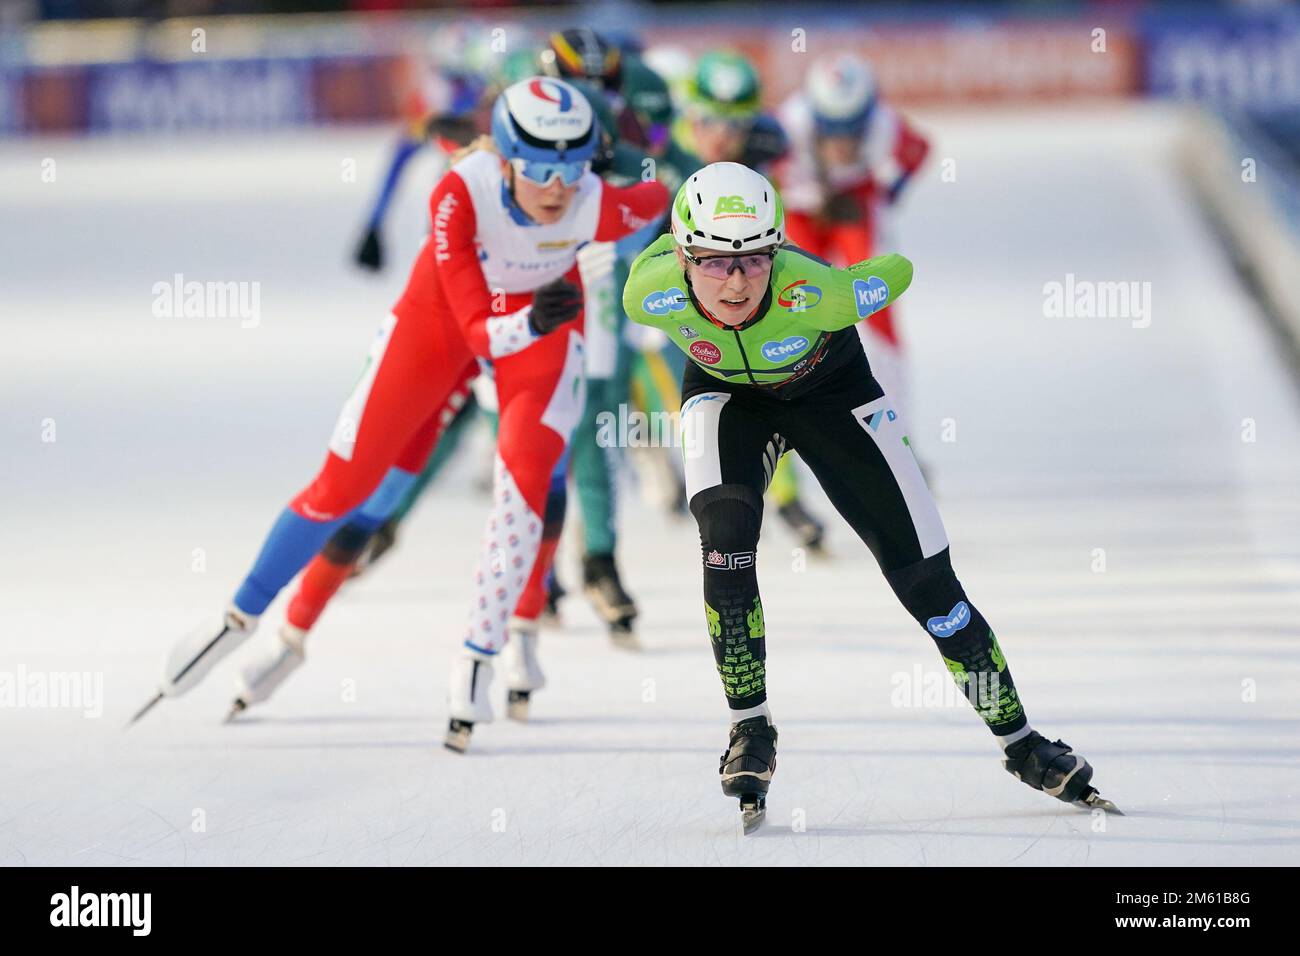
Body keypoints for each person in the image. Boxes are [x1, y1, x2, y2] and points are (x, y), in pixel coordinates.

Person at [135, 77, 669, 757]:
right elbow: (478, 331)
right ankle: (257, 624)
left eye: (570, 168)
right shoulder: (458, 191)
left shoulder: (596, 202)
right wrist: (532, 311)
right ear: (502, 157)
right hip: (448, 323)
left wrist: (682, 206)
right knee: (354, 489)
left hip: (542, 323)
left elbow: (662, 200)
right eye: (538, 170)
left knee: (533, 478)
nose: (556, 189)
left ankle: (494, 646)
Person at [622, 161, 1117, 831]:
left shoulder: (820, 292)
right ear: (682, 256)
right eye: (712, 263)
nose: (734, 282)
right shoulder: (647, 291)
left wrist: (853, 273)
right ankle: (749, 729)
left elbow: (897, 271)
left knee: (929, 586)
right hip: (727, 400)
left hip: (833, 399)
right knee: (725, 546)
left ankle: (1022, 743)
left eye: (754, 261)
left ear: (776, 252)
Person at [776, 53, 929, 420]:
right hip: (801, 210)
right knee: (799, 305)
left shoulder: (886, 125)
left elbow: (918, 151)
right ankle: (801, 418)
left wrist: (888, 194)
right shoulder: (788, 125)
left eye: (853, 128)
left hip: (853, 203)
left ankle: (897, 422)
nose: (842, 140)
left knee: (878, 304)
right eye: (831, 128)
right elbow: (766, 171)